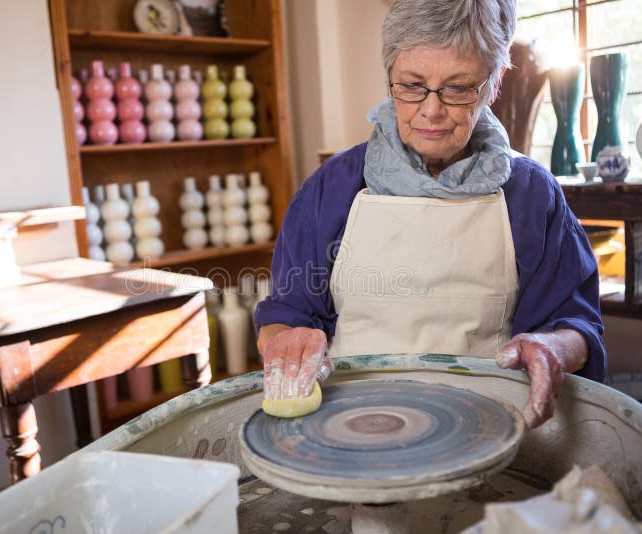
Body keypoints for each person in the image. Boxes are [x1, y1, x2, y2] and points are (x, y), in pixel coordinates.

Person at [254, 0, 606, 429]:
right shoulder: (332, 188)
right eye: (412, 85)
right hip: (352, 428)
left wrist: (554, 348)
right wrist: (286, 341)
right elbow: (286, 314)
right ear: (390, 79)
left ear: (494, 83)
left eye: (457, 88)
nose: (432, 110)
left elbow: (576, 324)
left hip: (487, 426)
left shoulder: (531, 194)